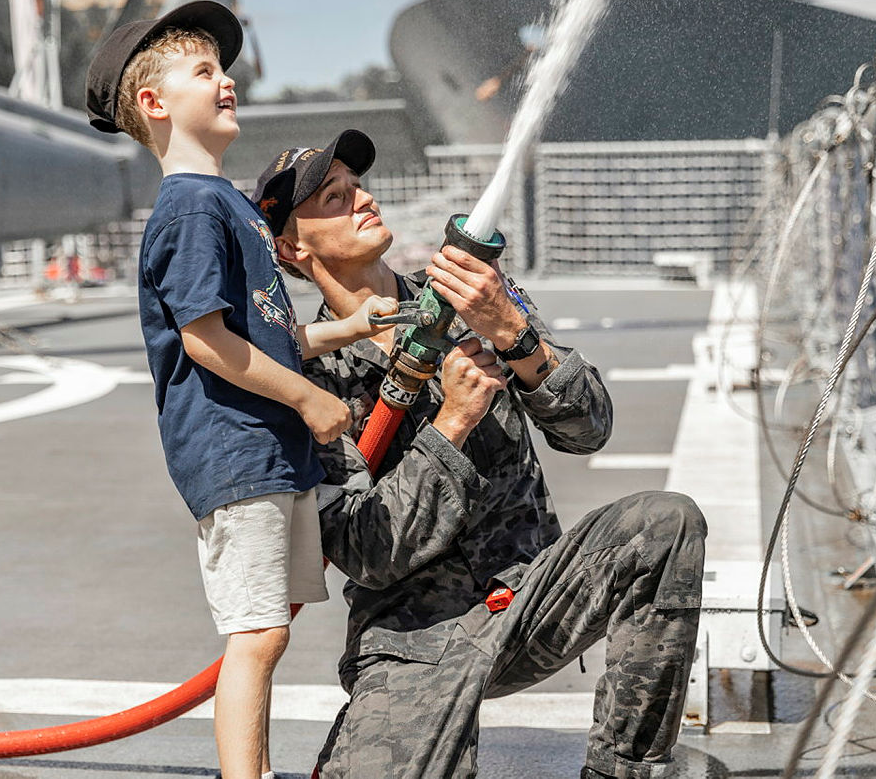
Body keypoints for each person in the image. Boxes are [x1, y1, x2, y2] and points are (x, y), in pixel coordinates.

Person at [254, 129, 707, 779]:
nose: (363, 199)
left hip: (531, 594)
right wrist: (454, 421)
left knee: (664, 522)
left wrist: (514, 334)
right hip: (414, 636)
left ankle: (622, 770)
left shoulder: (475, 297)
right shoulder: (306, 376)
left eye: (358, 186)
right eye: (334, 196)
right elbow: (368, 551)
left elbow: (589, 429)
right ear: (292, 247)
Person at [84, 8, 394, 779]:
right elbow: (205, 341)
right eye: (203, 72)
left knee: (267, 633)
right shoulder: (191, 205)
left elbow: (266, 335)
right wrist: (310, 400)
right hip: (237, 450)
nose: (226, 80)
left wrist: (348, 328)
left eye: (223, 70)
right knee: (255, 634)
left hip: (267, 453)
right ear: (154, 103)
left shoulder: (226, 204)